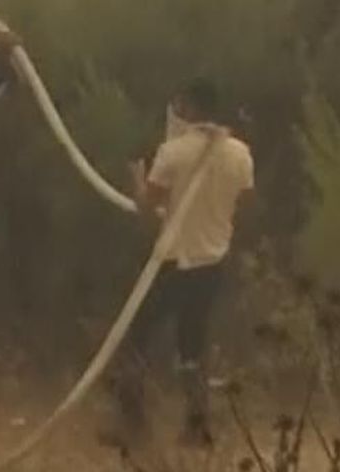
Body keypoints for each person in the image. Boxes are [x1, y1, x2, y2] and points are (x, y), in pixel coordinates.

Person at [109, 77, 255, 447]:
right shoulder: (240, 153)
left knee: (137, 333)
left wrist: (137, 180)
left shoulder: (172, 153)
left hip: (175, 260)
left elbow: (147, 210)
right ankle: (197, 424)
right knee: (193, 341)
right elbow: (244, 203)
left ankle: (132, 421)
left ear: (189, 106)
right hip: (213, 262)